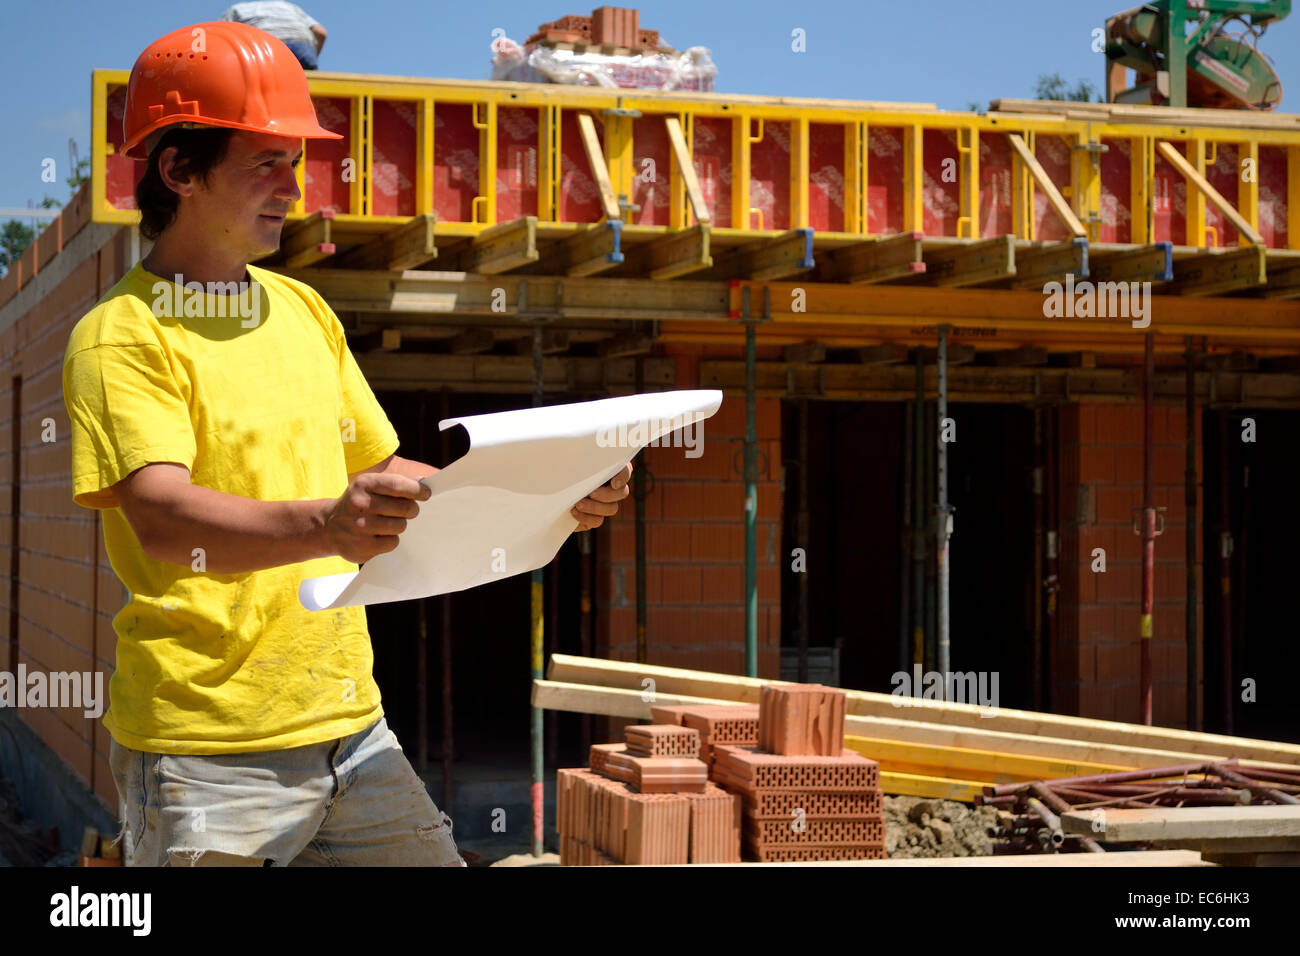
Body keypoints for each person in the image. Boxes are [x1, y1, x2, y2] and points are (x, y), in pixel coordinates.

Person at [62, 21, 632, 867]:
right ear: (180, 170)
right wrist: (327, 527)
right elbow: (162, 519)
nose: (290, 187)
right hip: (211, 755)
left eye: (293, 163)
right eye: (264, 162)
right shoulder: (124, 335)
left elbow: (377, 475)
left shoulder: (303, 312)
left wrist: (546, 493)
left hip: (353, 733)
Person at [221, 1, 327, 69]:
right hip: (301, 46)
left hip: (266, 48)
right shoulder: (286, 5)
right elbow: (321, 32)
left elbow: (221, 35)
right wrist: (310, 54)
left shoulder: (236, 9)